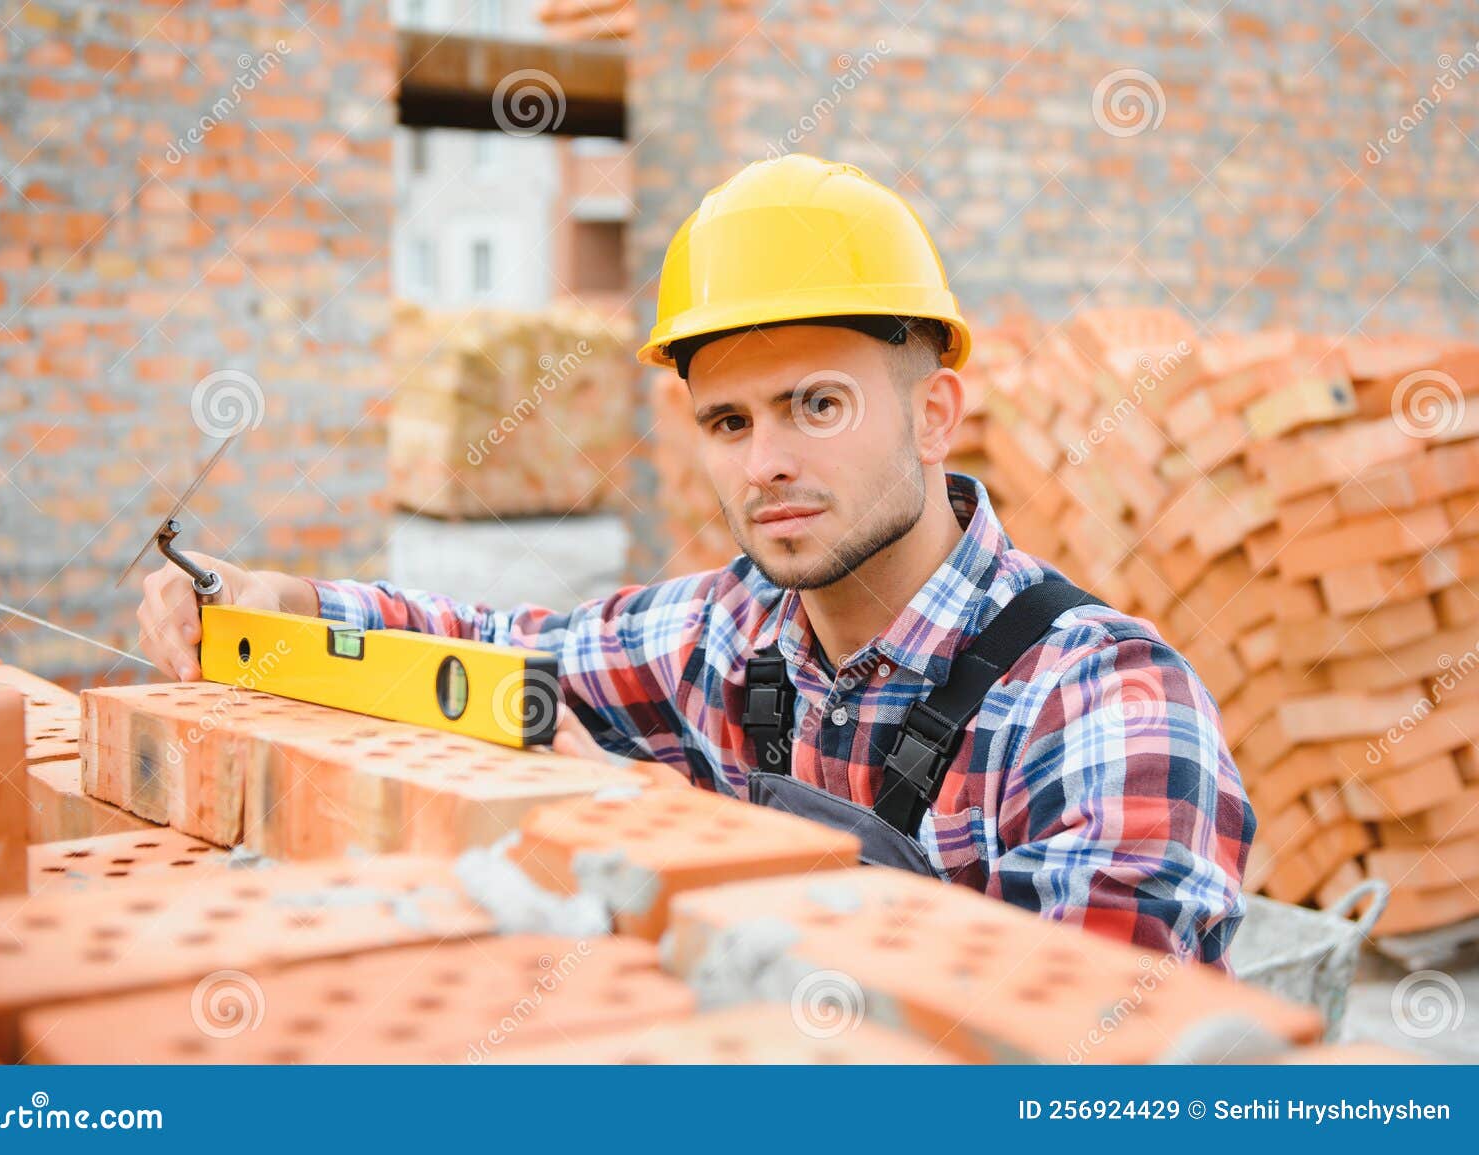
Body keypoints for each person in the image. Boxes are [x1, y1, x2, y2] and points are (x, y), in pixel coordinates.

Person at [137, 154, 1254, 969]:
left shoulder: (1101, 705)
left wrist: (641, 825)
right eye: (727, 423)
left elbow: (1082, 1061)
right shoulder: (726, 636)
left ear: (934, 414)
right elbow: (482, 648)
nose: (766, 463)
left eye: (815, 405)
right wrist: (277, 603)